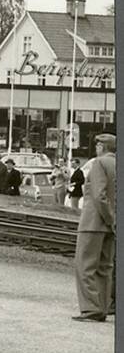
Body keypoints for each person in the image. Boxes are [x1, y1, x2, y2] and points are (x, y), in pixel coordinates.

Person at [73, 134, 115, 321]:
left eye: (98, 144)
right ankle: (103, 307)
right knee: (105, 267)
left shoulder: (99, 163)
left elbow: (99, 195)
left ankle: (91, 309)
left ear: (102, 146)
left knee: (85, 266)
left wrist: (109, 218)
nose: (96, 146)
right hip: (111, 226)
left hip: (93, 222)